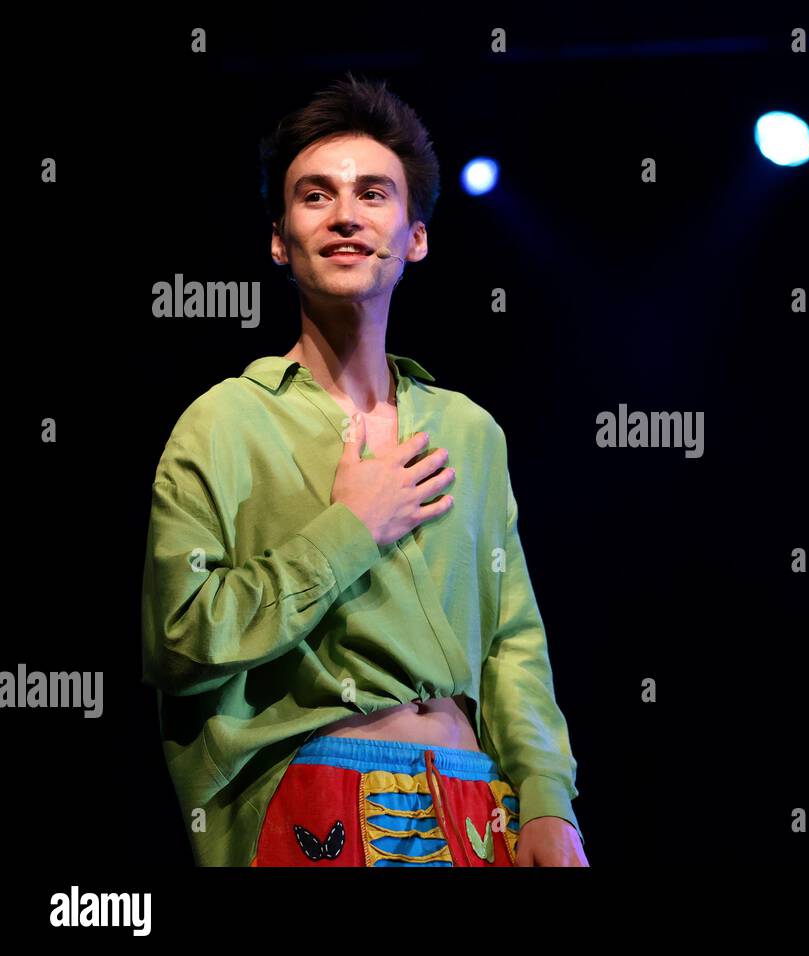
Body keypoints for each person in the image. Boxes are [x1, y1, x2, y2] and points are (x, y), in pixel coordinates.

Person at [140, 73, 587, 867]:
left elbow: (513, 643)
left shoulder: (469, 432)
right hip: (316, 801)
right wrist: (349, 529)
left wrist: (549, 799)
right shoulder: (226, 423)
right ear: (280, 239)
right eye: (315, 196)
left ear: (415, 235)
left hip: (476, 807)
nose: (346, 214)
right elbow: (180, 644)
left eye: (373, 194)